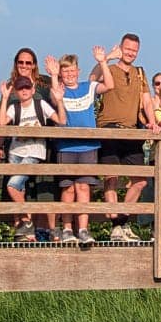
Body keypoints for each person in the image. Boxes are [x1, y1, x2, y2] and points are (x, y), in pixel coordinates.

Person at [92, 35, 152, 242]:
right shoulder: (110, 68)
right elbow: (92, 80)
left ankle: (121, 222)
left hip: (132, 130)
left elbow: (147, 101)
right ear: (121, 48)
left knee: (140, 181)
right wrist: (107, 58)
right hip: (109, 128)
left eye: (134, 50)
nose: (130, 53)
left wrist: (153, 122)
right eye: (127, 49)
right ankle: (116, 226)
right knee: (112, 177)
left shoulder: (140, 73)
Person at [0, 69, 65, 242]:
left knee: (12, 186)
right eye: (20, 88)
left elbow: (61, 121)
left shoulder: (41, 105)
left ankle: (27, 222)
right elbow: (2, 122)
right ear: (16, 92)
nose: (24, 91)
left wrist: (60, 102)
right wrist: (3, 98)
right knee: (20, 189)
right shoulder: (13, 107)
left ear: (33, 90)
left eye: (27, 88)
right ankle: (28, 231)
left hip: (34, 151)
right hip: (15, 152)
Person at [51, 53, 102, 245]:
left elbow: (109, 86)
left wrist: (103, 62)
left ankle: (83, 229)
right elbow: (56, 99)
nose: (69, 74)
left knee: (83, 187)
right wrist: (55, 75)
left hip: (88, 145)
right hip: (66, 146)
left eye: (72, 71)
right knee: (68, 188)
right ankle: (66, 228)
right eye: (65, 71)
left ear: (78, 71)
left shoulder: (86, 87)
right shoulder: (60, 87)